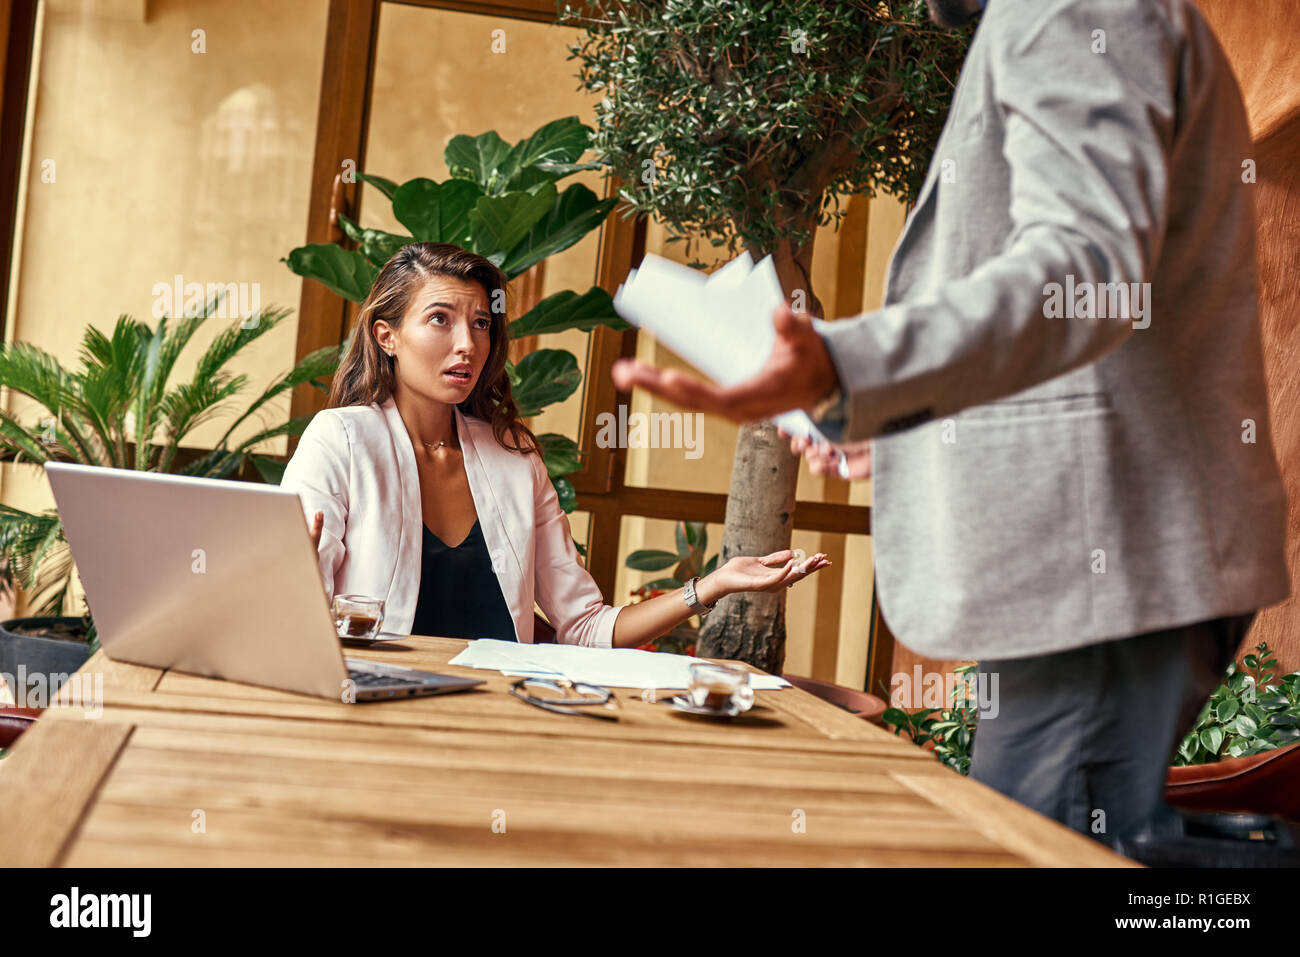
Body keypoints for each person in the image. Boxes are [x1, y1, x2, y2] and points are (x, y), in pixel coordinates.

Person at [610, 0, 1289, 847]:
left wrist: (855, 366)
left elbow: (1087, 272)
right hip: (1100, 556)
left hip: (1104, 555)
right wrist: (896, 418)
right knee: (1063, 846)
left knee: (1043, 853)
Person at [280, 242, 830, 648]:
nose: (467, 344)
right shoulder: (342, 441)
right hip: (379, 712)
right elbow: (292, 617)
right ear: (387, 336)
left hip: (503, 718)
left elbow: (585, 626)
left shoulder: (513, 455)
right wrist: (288, 572)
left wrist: (711, 586)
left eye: (479, 323)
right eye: (440, 320)